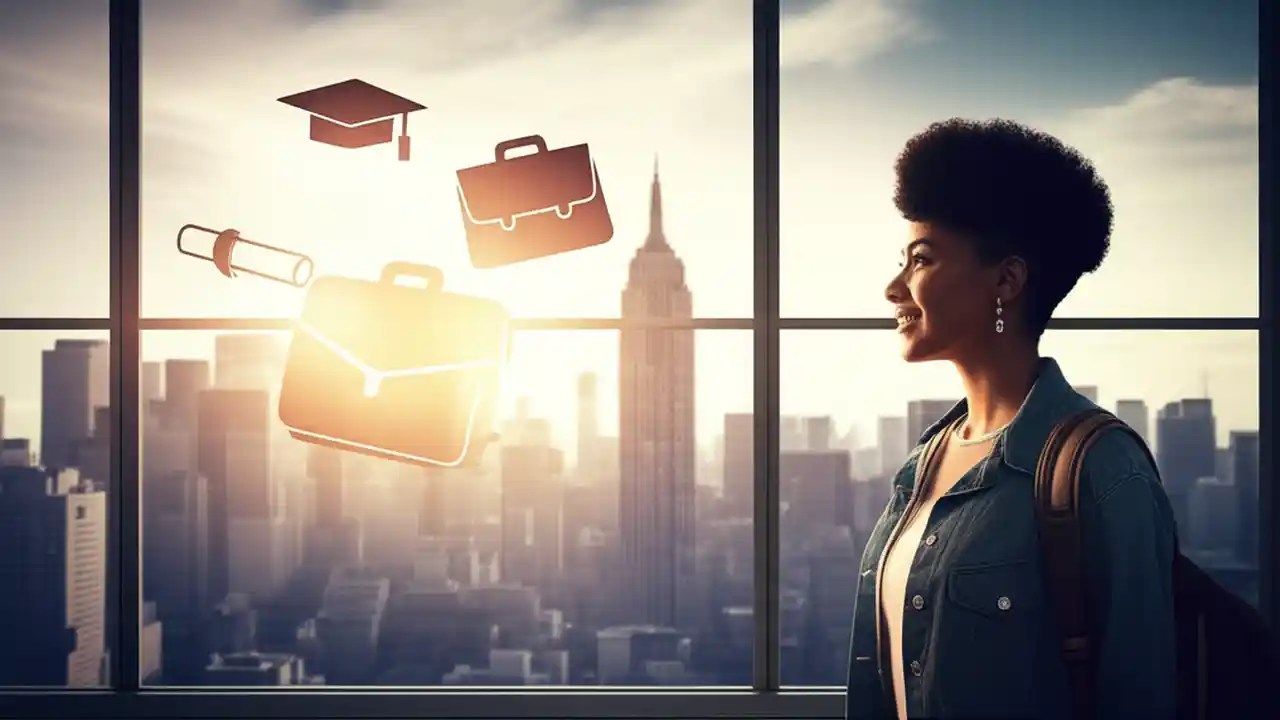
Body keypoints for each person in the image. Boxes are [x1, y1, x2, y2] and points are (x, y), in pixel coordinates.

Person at [844, 118, 1179, 720]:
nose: (894, 287)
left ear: (1007, 279)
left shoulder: (1104, 470)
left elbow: (1142, 694)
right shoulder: (924, 463)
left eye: (921, 260)